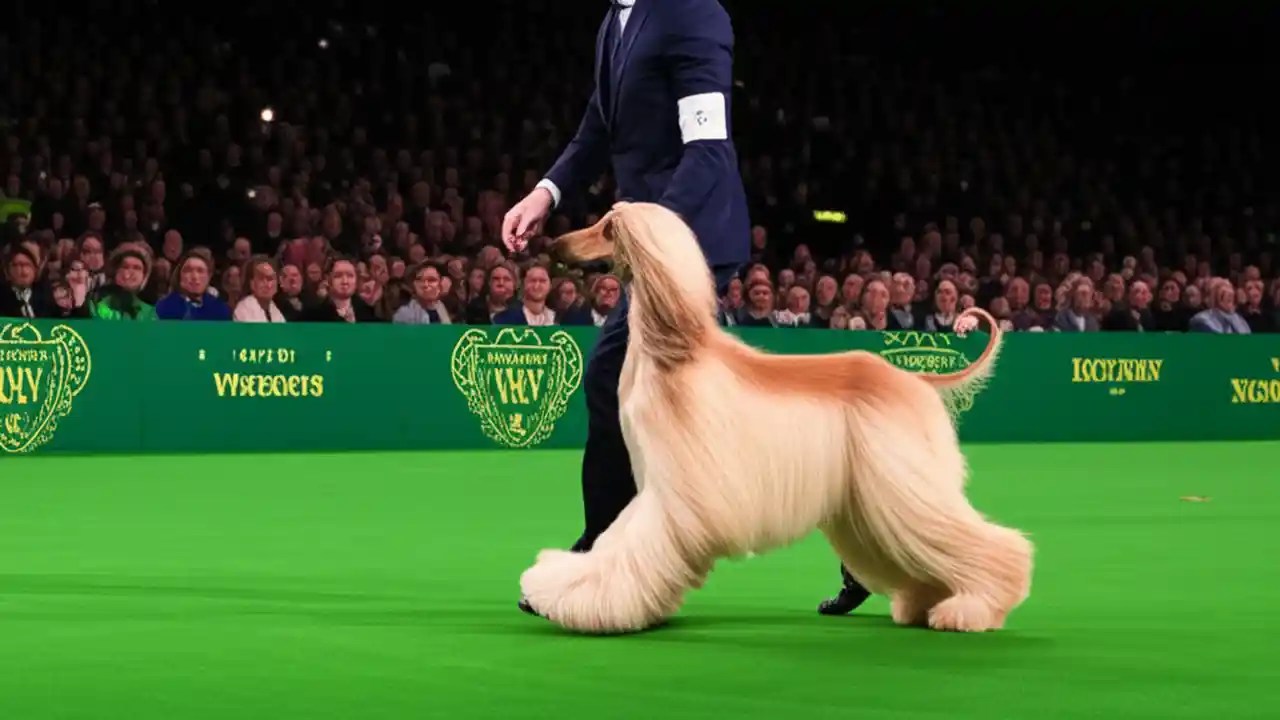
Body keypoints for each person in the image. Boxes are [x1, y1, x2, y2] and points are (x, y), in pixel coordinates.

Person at [503, 0, 870, 618]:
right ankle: (852, 541)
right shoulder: (615, 21)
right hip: (652, 242)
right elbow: (598, 127)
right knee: (684, 402)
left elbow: (707, 150)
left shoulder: (692, 12)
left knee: (616, 382)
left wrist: (649, 235)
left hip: (690, 238)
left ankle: (607, 557)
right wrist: (547, 192)